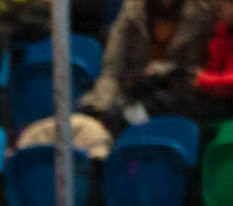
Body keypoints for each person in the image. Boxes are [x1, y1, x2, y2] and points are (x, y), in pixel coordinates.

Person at [80, 0, 220, 124]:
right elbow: (112, 71)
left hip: (179, 95)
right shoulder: (131, 11)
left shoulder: (203, 11)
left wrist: (164, 71)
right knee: (88, 112)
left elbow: (200, 73)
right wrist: (102, 108)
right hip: (134, 90)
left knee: (128, 114)